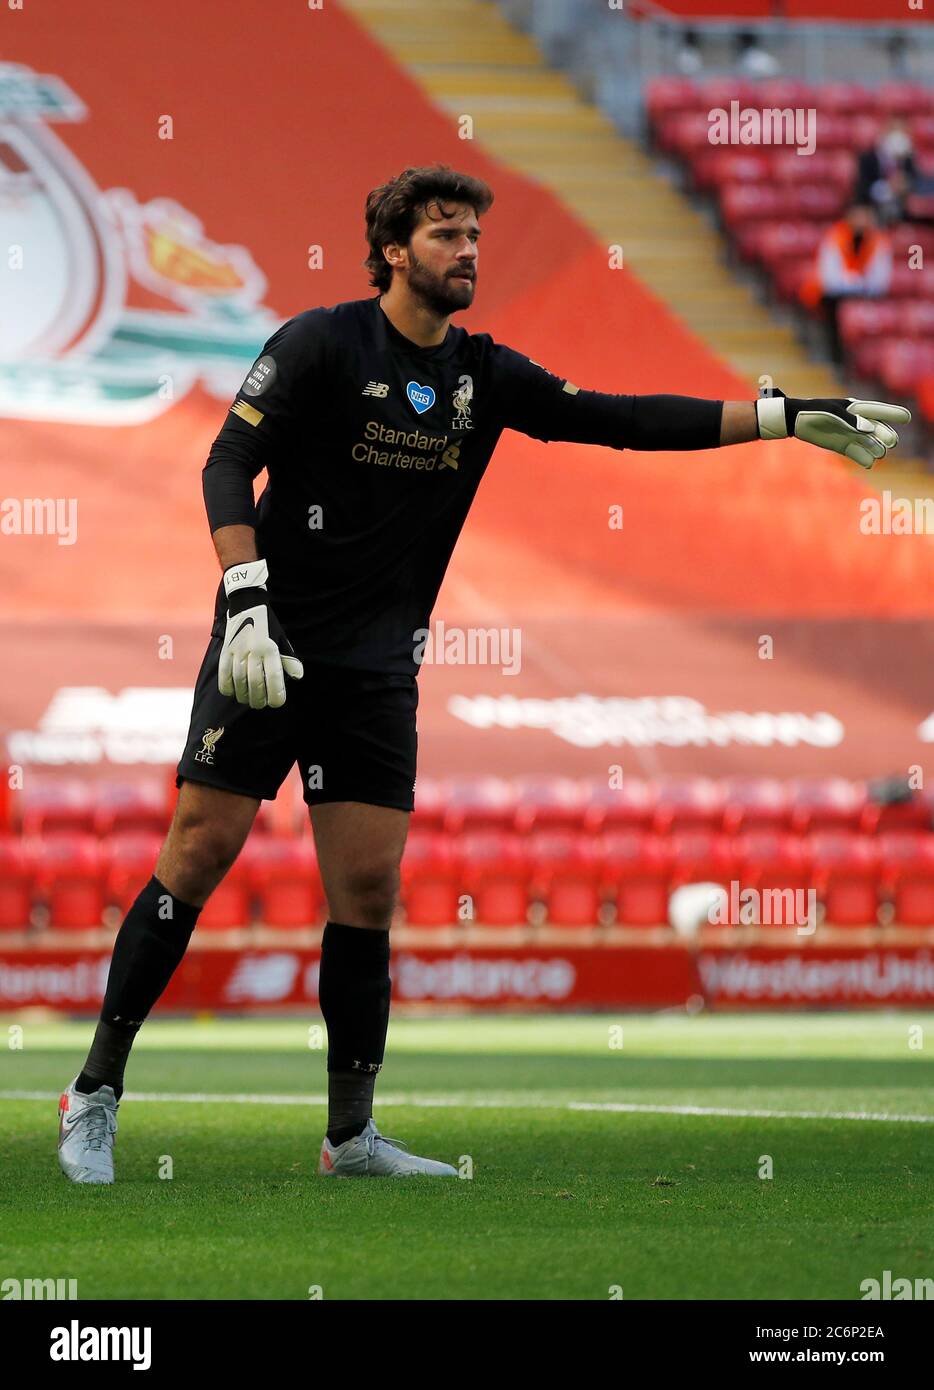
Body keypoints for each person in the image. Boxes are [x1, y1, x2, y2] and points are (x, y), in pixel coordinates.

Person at [57, 164, 911, 1184]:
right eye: (446, 235)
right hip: (267, 644)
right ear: (391, 250)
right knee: (198, 853)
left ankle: (351, 1136)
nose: (467, 252)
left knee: (366, 888)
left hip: (377, 669)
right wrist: (242, 592)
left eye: (473, 237)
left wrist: (775, 419)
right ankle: (95, 1092)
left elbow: (621, 417)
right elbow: (224, 465)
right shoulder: (320, 343)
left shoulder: (483, 375)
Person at [799, 202, 893, 363]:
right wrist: (853, 285)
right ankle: (837, 358)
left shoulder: (878, 240)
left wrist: (862, 288)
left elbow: (880, 276)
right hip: (833, 292)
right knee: (835, 310)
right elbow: (829, 276)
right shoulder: (835, 236)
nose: (862, 220)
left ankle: (866, 360)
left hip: (864, 291)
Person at [856, 119, 919, 227]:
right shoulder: (868, 159)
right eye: (894, 131)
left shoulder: (908, 161)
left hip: (901, 217)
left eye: (902, 132)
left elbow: (915, 183)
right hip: (873, 214)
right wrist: (887, 188)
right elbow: (862, 188)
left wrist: (905, 186)